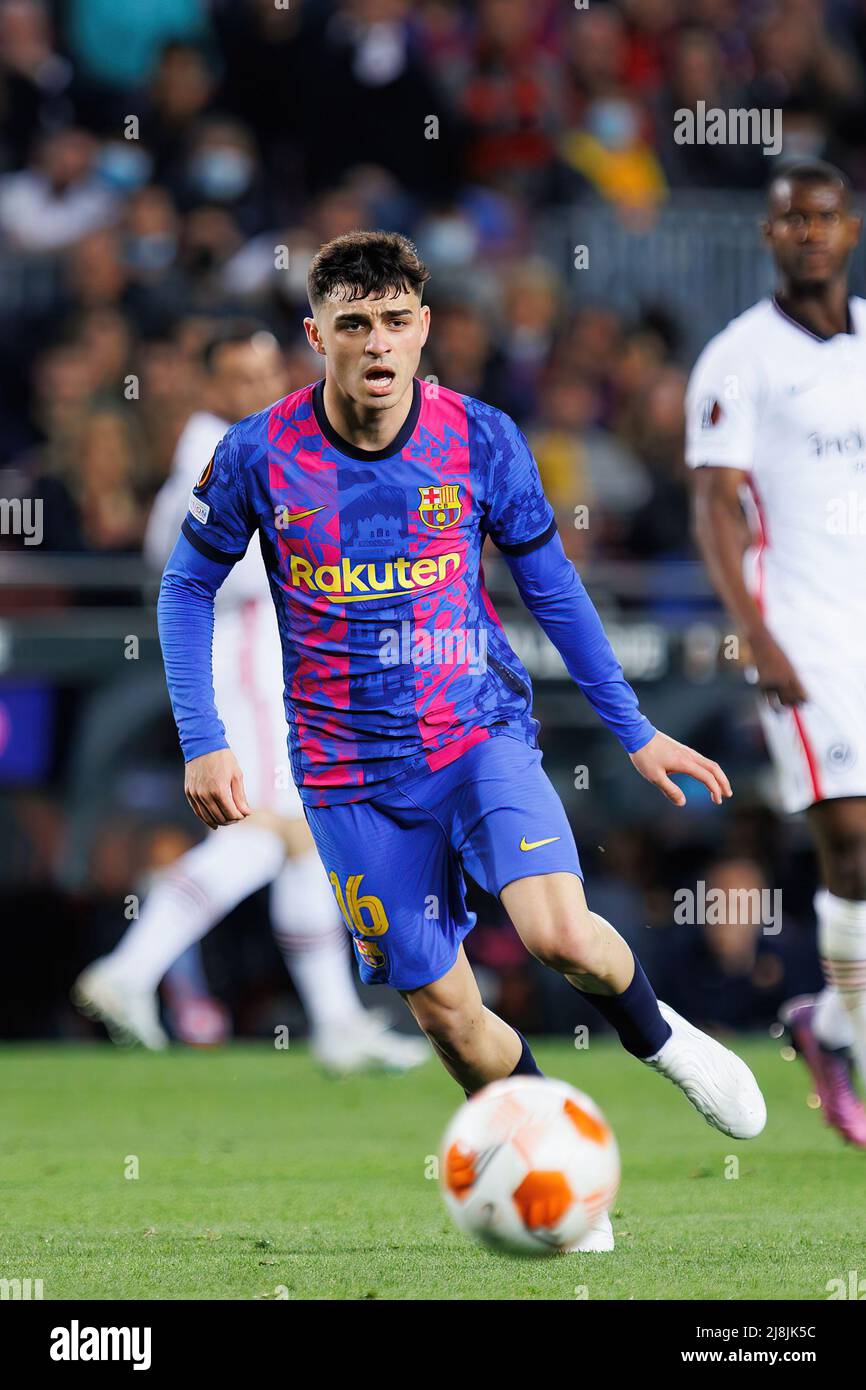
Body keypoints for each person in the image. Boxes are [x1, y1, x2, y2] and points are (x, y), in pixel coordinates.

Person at [156, 231, 766, 1253]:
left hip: (472, 733)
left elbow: (552, 589)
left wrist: (632, 728)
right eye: (353, 324)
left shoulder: (479, 439)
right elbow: (184, 588)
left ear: (424, 328)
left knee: (559, 935)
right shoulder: (258, 454)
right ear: (317, 337)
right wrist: (203, 736)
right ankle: (555, 1172)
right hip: (347, 776)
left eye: (395, 320)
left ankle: (660, 1038)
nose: (377, 342)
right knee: (444, 1011)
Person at [74, 322, 429, 1074]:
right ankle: (130, 969)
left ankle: (336, 1023)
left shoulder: (240, 450)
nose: (260, 388)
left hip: (273, 656)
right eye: (240, 377)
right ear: (211, 388)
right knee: (266, 830)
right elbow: (187, 569)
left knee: (304, 839)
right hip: (245, 655)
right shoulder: (221, 455)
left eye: (268, 372)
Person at [687, 160, 866, 1146]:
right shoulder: (736, 357)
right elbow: (712, 502)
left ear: (848, 229)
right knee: (849, 836)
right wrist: (752, 632)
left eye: (823, 217)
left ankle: (825, 1025)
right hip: (799, 631)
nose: (807, 232)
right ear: (766, 235)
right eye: (789, 219)